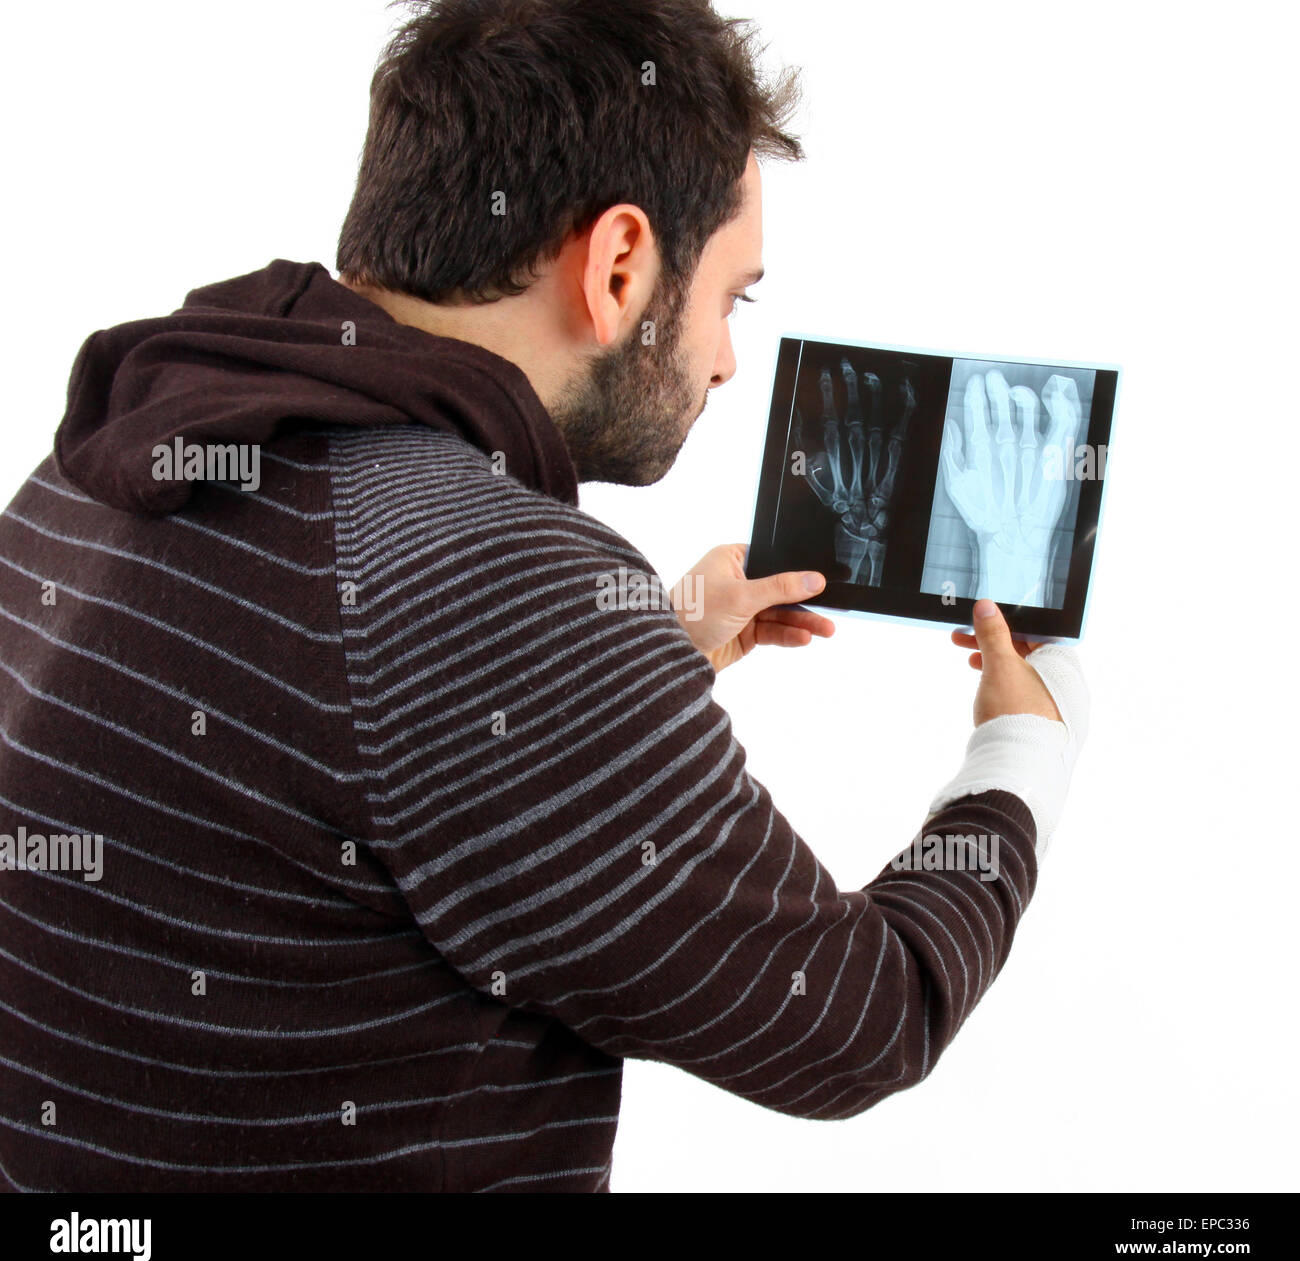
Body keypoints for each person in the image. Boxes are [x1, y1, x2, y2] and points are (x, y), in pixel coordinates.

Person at [0, 0, 1087, 1193]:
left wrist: (653, 645)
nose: (726, 359)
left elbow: (340, 757)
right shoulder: (492, 588)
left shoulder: (123, 445)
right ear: (620, 264)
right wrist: (1018, 755)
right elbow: (857, 1020)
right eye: (733, 297)